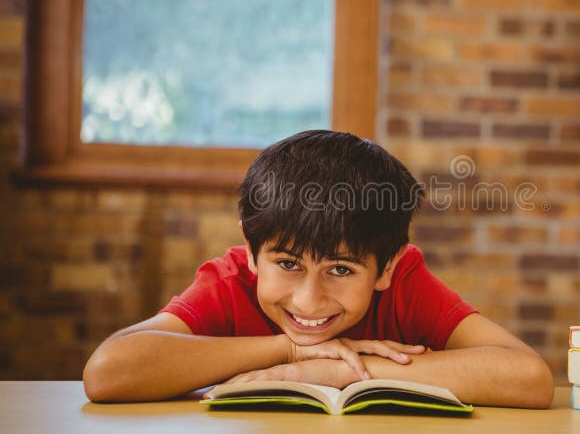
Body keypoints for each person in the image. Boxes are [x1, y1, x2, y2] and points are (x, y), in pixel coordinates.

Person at [83, 130, 553, 407]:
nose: (308, 301)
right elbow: (108, 372)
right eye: (288, 264)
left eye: (341, 270)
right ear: (251, 252)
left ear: (386, 268)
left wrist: (341, 371)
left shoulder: (403, 281)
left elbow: (528, 377)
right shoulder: (231, 281)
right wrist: (288, 352)